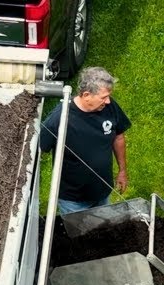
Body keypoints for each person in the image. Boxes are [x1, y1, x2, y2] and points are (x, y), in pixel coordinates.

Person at [40, 67, 131, 215]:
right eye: (104, 97)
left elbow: (118, 136)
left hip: (103, 192)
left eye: (109, 96)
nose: (108, 101)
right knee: (81, 237)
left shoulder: (109, 107)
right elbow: (39, 151)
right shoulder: (60, 118)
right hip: (73, 201)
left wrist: (122, 171)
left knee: (104, 231)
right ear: (86, 95)